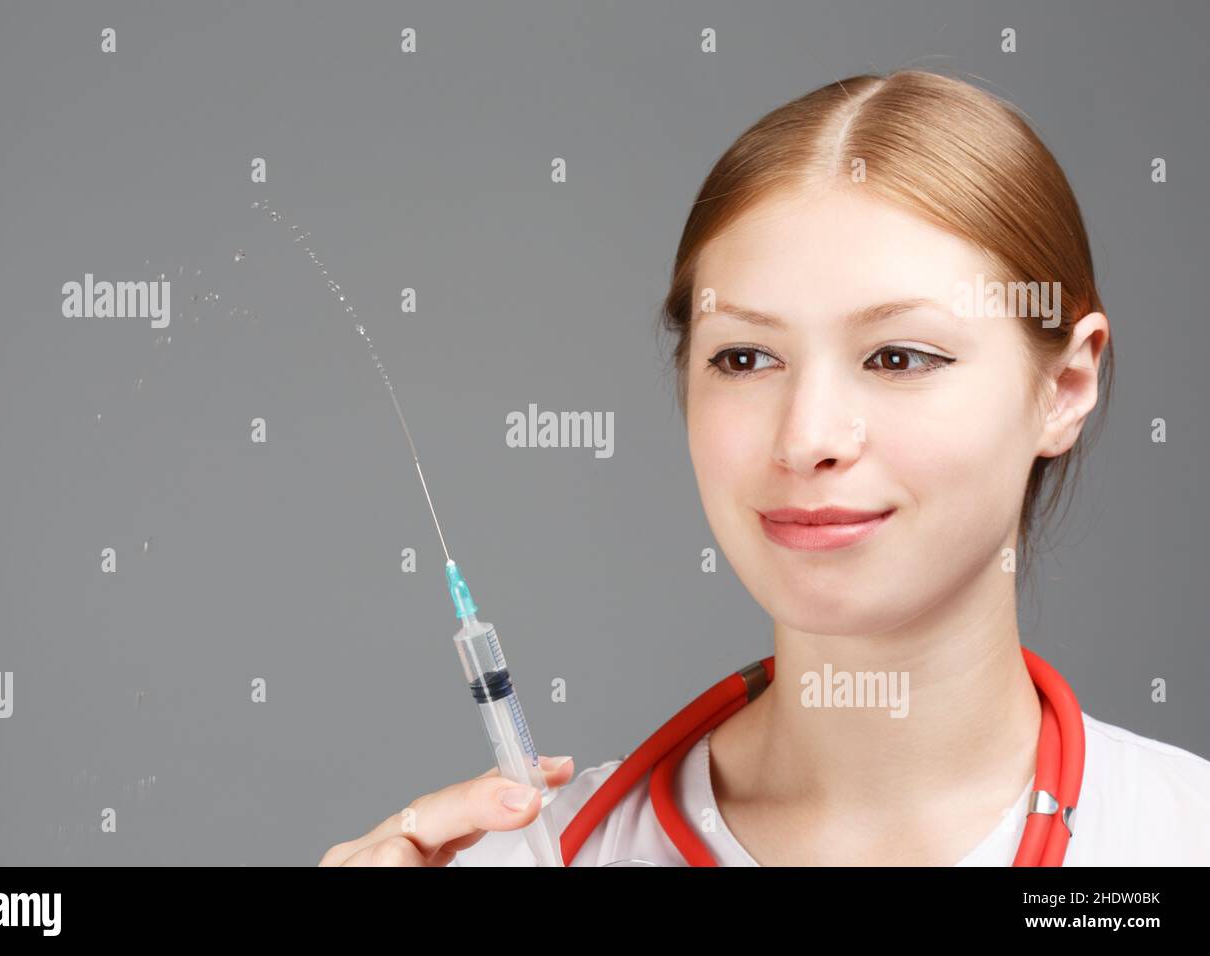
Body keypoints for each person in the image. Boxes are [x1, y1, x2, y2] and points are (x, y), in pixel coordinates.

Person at [319, 68, 1210, 867]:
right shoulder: (533, 860)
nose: (806, 437)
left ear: (1063, 383)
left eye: (899, 356)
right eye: (745, 359)